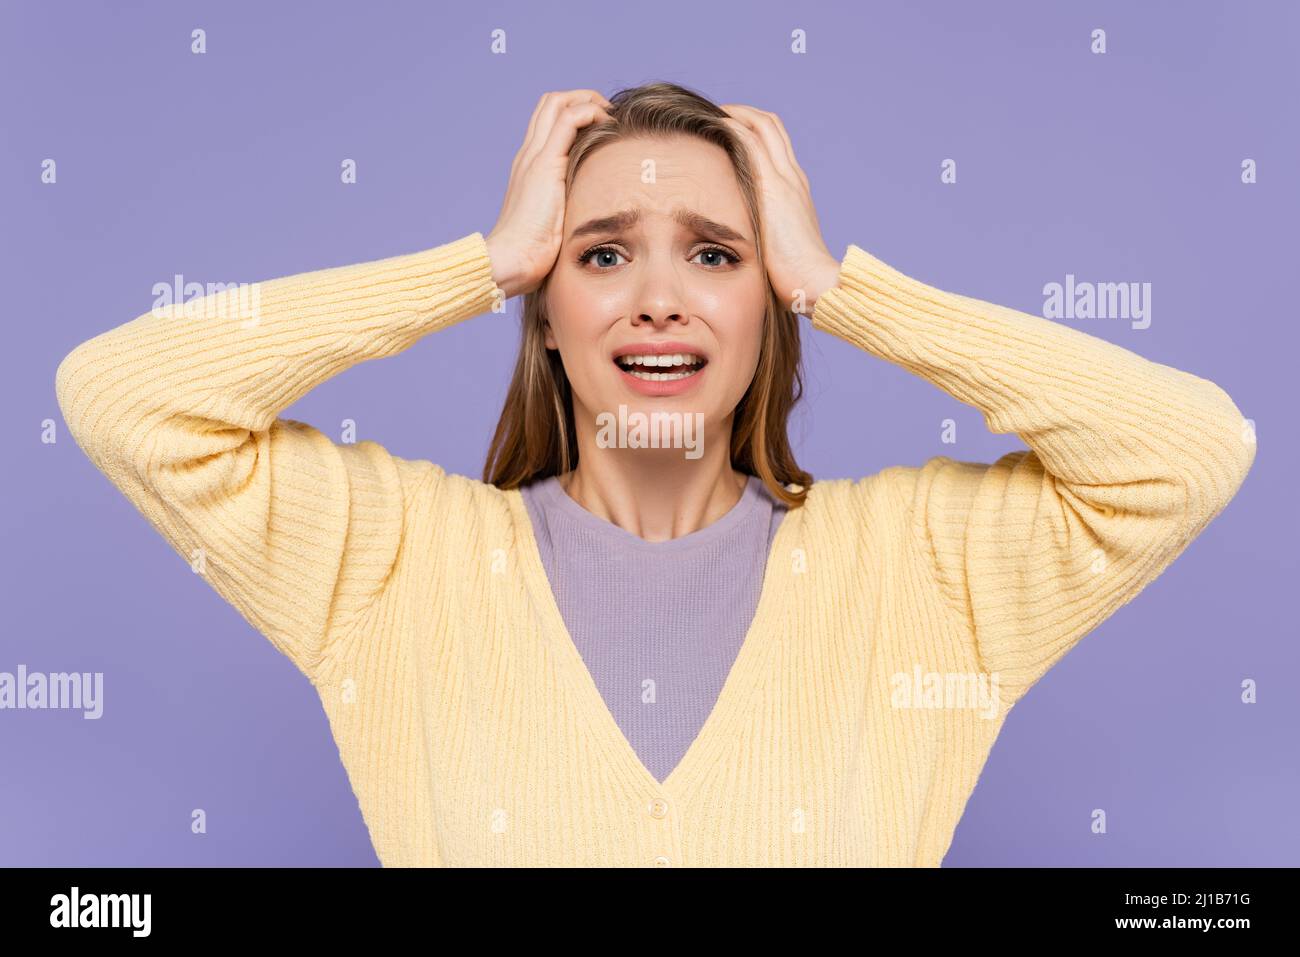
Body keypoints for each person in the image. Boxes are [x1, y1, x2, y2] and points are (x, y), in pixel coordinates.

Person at [54, 81, 1255, 867]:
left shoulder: (921, 573)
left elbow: (1189, 450)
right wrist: (479, 263)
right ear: (548, 312)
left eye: (718, 254)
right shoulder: (393, 563)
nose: (660, 296)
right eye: (604, 253)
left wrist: (843, 291)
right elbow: (122, 396)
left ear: (768, 305)